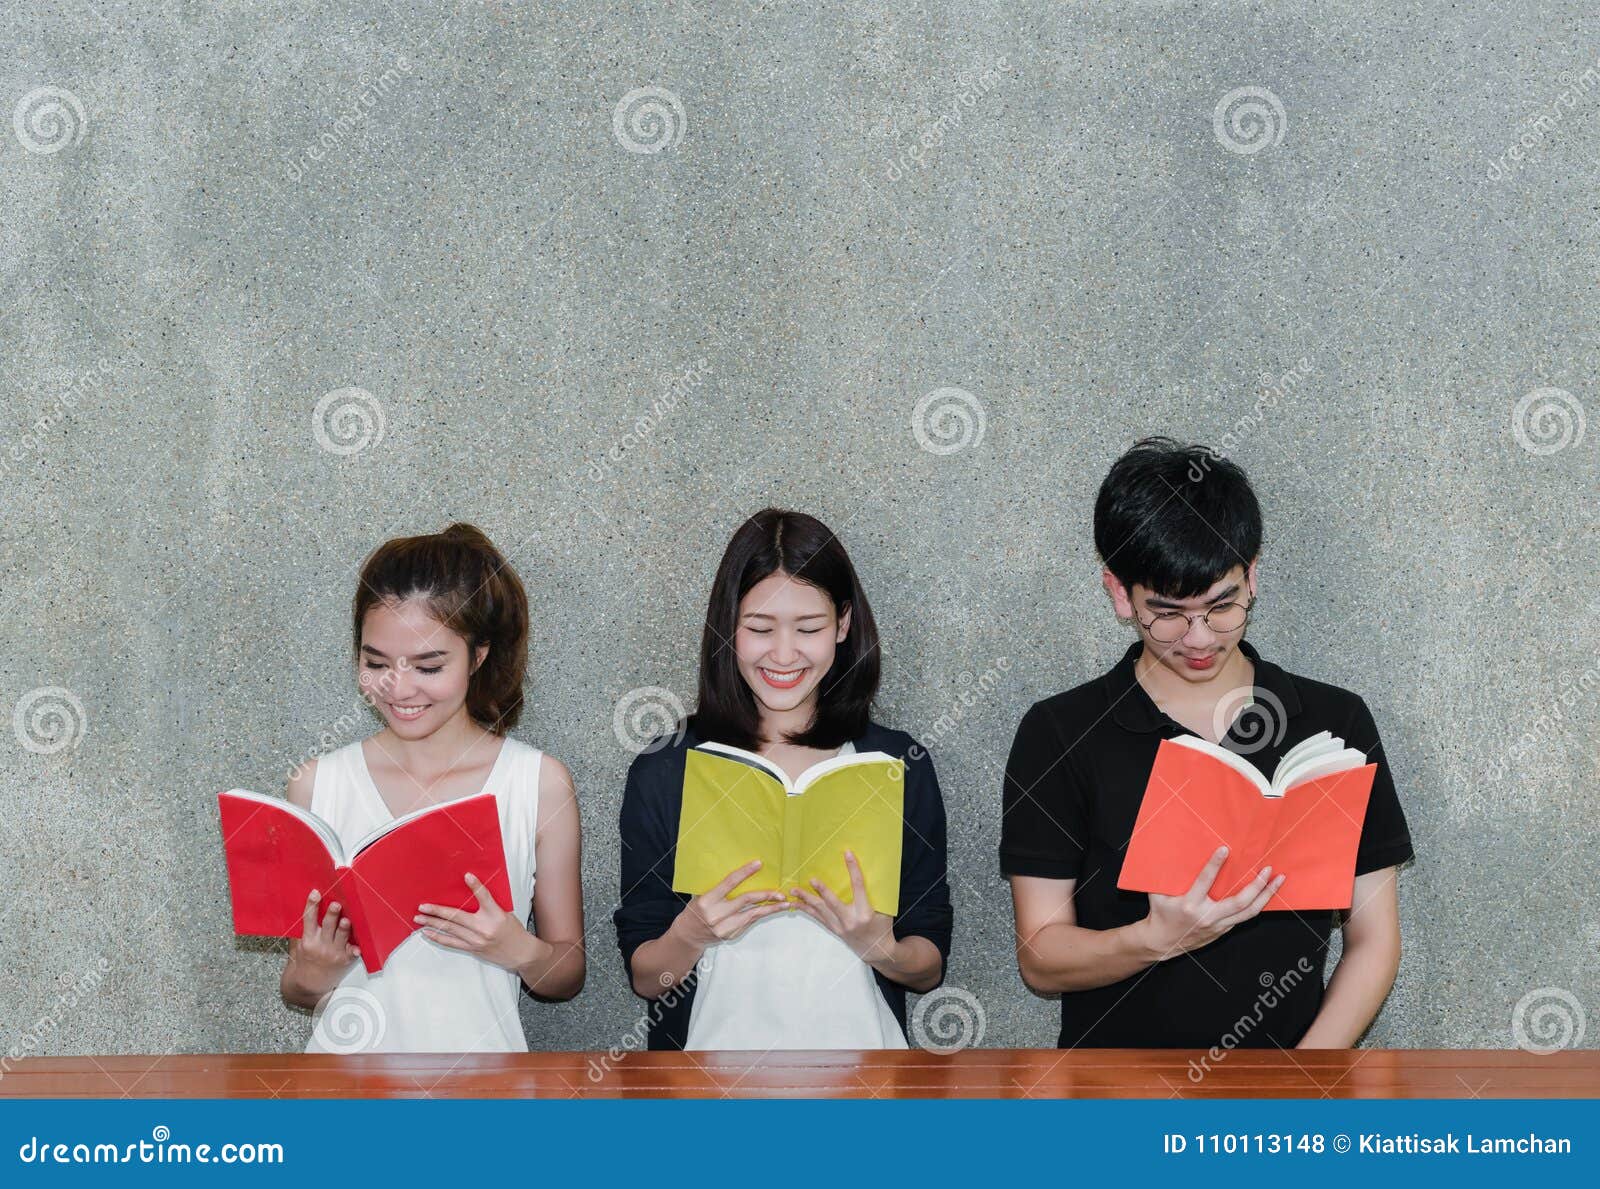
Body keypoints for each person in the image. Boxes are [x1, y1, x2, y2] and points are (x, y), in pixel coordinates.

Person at [1001, 438, 1414, 1049]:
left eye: (1222, 606)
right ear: (1119, 594)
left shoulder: (1335, 722)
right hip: (1113, 1097)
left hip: (1286, 1093)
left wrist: (1303, 1079)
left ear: (1252, 575)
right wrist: (1156, 937)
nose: (1198, 638)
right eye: (1166, 613)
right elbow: (1040, 955)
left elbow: (1375, 939)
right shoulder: (1060, 732)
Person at [614, 508, 953, 1050]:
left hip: (867, 1077)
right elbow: (647, 978)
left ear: (843, 625)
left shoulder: (895, 763)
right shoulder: (667, 768)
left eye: (809, 628)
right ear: (728, 628)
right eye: (760, 628)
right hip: (706, 1084)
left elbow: (928, 966)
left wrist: (877, 946)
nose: (784, 654)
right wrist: (691, 933)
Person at [279, 522, 584, 1051]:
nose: (399, 688)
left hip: (485, 1098)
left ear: (479, 656)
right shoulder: (316, 785)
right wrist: (312, 969)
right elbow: (300, 990)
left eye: (428, 665)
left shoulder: (537, 783)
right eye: (376, 663)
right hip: (341, 1098)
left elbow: (567, 973)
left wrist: (518, 949)